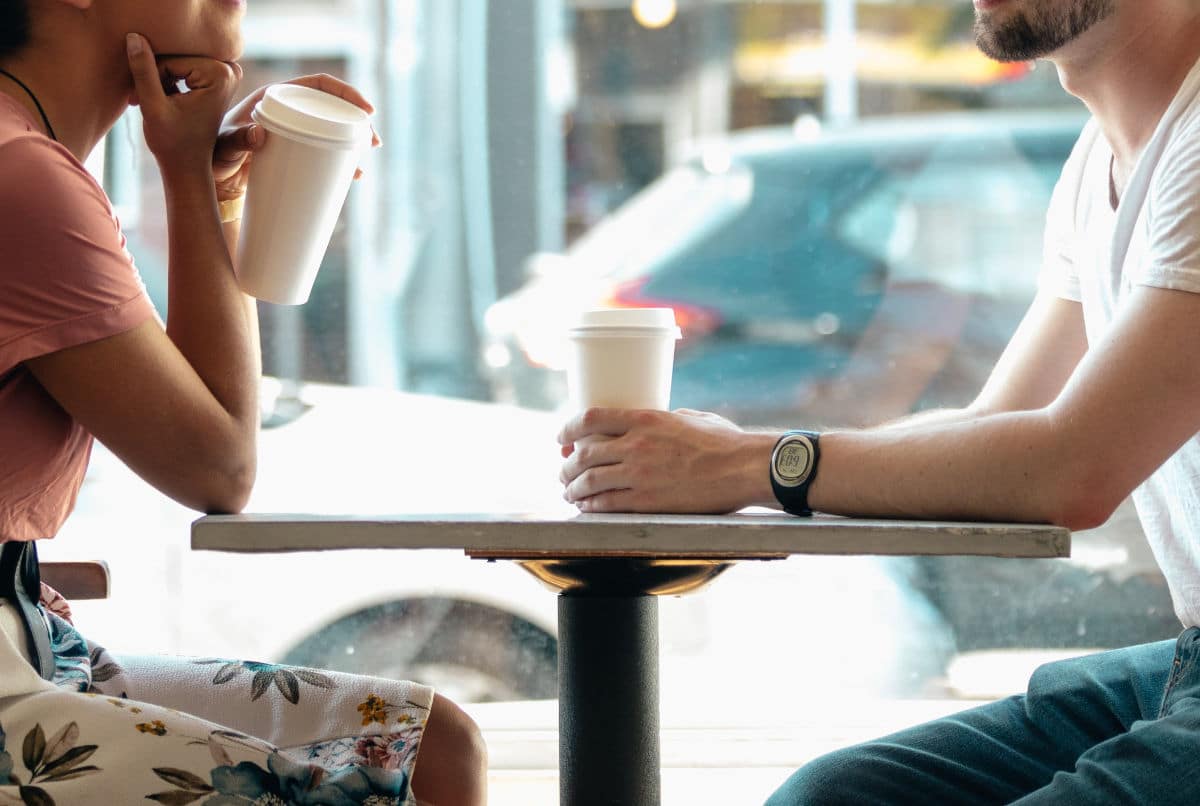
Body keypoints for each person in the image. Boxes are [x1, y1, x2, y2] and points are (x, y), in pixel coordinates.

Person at [558, 0, 1200, 802]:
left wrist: (745, 464)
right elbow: (998, 432)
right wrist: (720, 456)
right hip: (1186, 658)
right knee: (827, 798)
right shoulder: (1098, 166)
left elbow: (1070, 469)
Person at [0, 1, 486, 803]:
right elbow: (218, 466)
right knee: (380, 772)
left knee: (434, 749)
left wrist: (209, 187)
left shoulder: (34, 160)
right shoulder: (24, 179)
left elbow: (205, 428)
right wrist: (188, 173)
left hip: (30, 634)